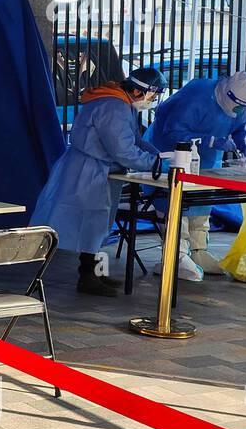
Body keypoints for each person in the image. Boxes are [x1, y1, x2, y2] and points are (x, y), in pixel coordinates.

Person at [30, 66, 165, 297]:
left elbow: (134, 140)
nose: (152, 100)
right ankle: (87, 276)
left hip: (95, 169)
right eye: (153, 95)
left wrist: (159, 156)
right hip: (89, 171)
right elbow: (123, 150)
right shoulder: (114, 107)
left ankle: (90, 272)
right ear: (139, 91)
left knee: (97, 224)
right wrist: (154, 164)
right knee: (91, 222)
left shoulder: (120, 102)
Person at [144, 71, 246, 279]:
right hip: (171, 157)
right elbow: (171, 131)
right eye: (238, 106)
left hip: (206, 160)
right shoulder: (196, 95)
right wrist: (210, 140)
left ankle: (198, 250)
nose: (239, 110)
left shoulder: (244, 101)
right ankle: (176, 253)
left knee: (201, 202)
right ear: (226, 92)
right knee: (173, 203)